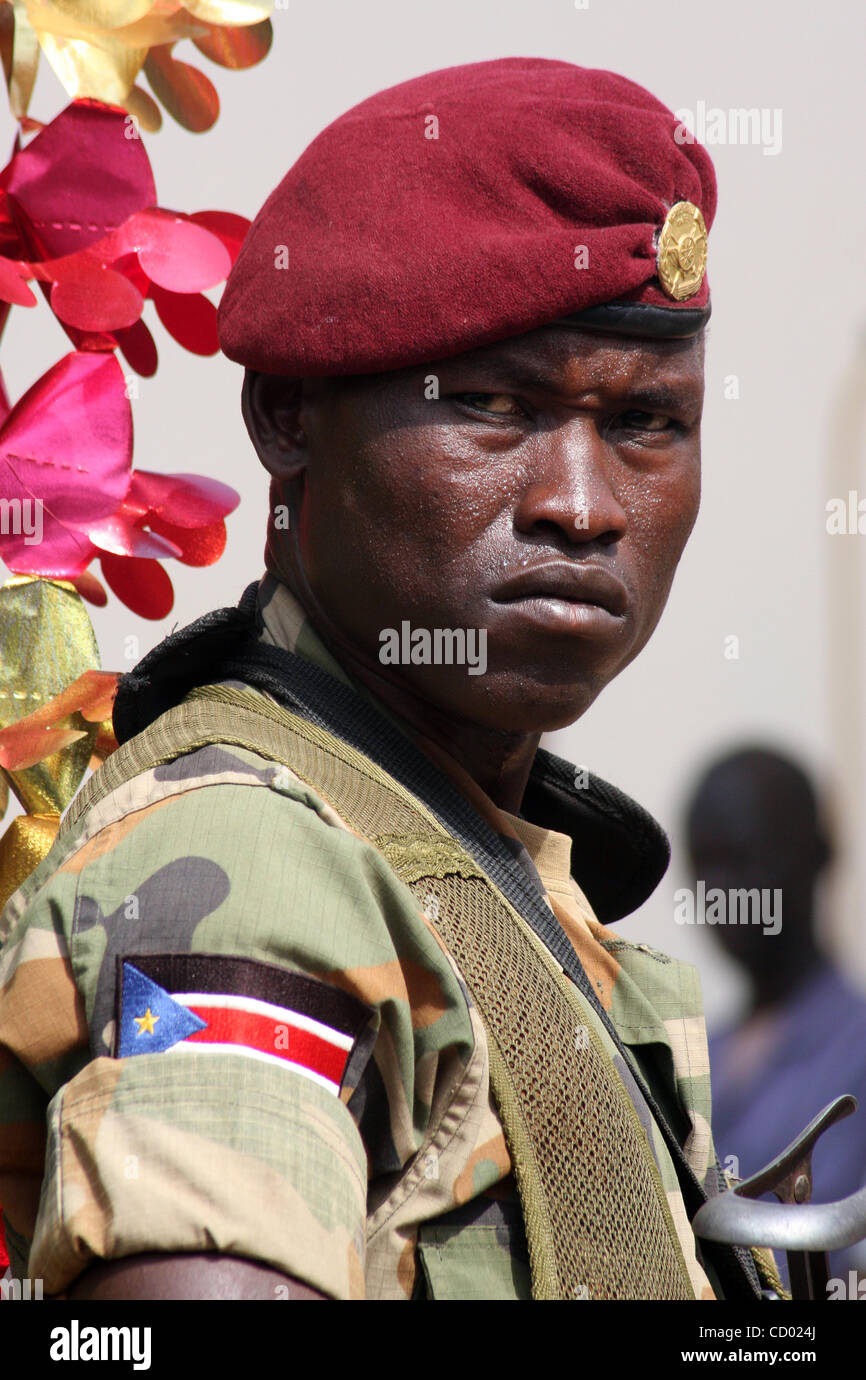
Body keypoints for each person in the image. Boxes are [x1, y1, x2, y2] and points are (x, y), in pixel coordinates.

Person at [0, 57, 773, 1301]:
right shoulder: (256, 862)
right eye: (486, 404)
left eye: (643, 423)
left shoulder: (465, 848)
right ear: (289, 420)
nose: (579, 505)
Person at [685, 745, 866, 1279]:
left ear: (818, 854)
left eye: (743, 859)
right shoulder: (692, 1056)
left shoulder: (855, 1047)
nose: (722, 894)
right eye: (704, 866)